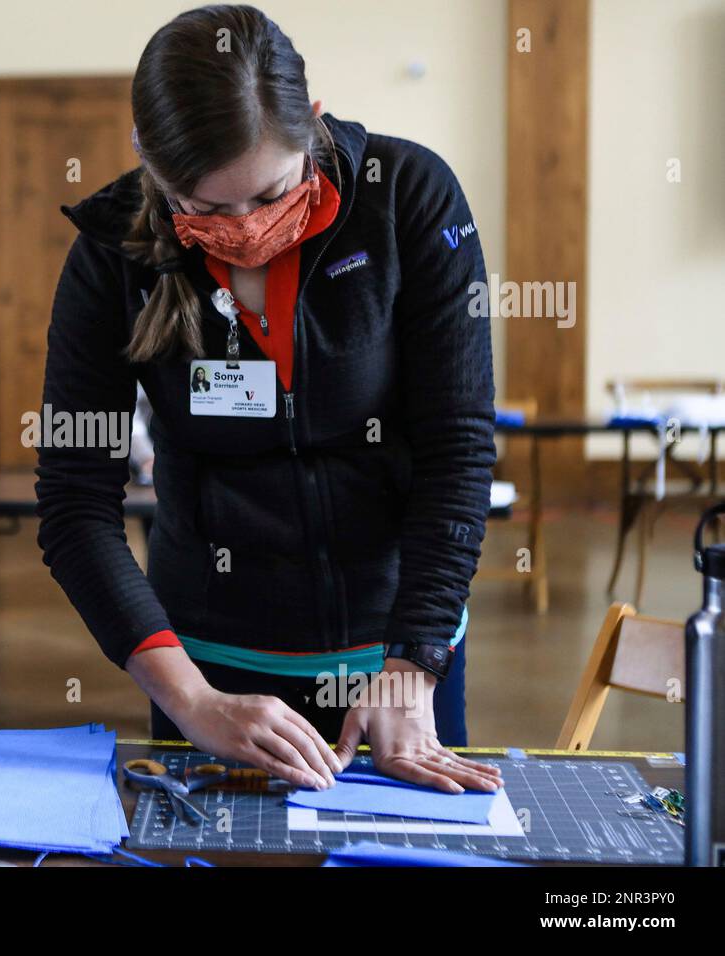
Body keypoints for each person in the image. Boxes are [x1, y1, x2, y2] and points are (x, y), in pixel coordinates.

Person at [37, 5, 501, 794]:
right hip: (213, 665)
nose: (246, 229)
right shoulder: (111, 255)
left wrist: (414, 663)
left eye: (270, 194)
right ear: (147, 159)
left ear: (313, 126)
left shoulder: (409, 196)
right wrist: (191, 701)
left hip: (395, 651)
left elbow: (456, 447)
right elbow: (76, 503)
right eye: (208, 209)